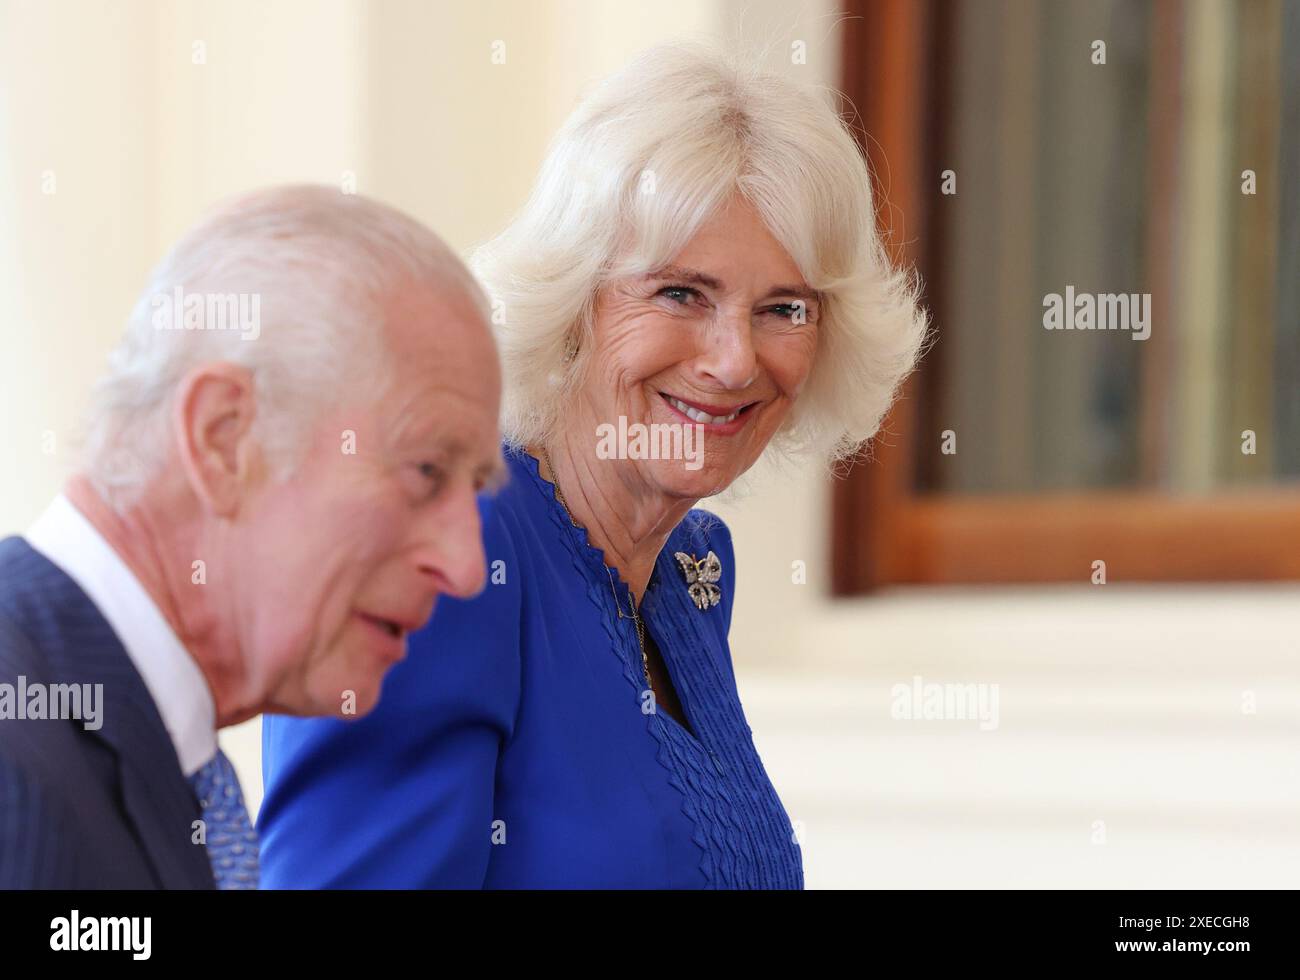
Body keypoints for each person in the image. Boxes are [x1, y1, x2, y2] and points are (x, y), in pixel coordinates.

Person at [260, 42, 927, 888]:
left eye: (782, 309)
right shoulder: (434, 554)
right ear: (574, 300)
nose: (733, 359)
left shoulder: (690, 574)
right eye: (682, 292)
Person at [0, 185, 504, 888]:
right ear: (224, 438)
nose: (467, 567)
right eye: (426, 471)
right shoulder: (18, 770)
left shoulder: (141, 749)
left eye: (475, 489)